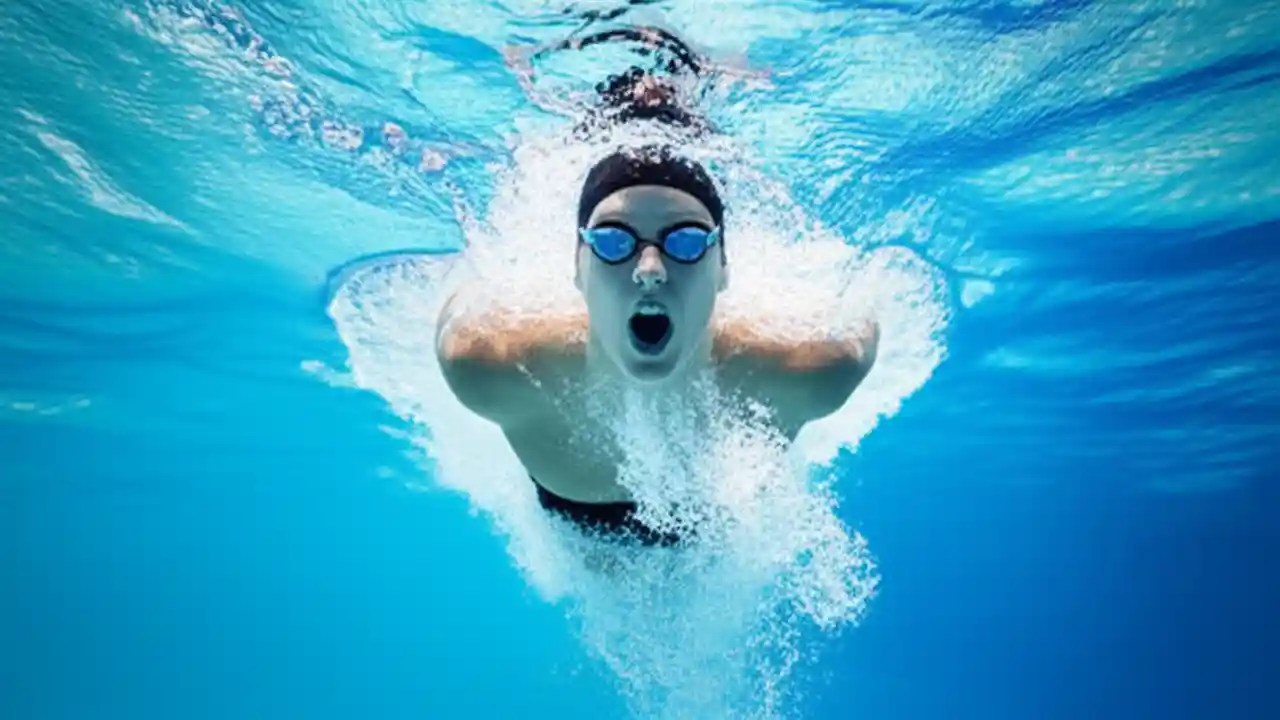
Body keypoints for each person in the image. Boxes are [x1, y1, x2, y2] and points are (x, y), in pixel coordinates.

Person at [435, 32, 878, 545]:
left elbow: (869, 305)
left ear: (725, 267)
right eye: (612, 240)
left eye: (687, 241)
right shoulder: (489, 365)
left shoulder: (815, 370)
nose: (650, 268)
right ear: (576, 268)